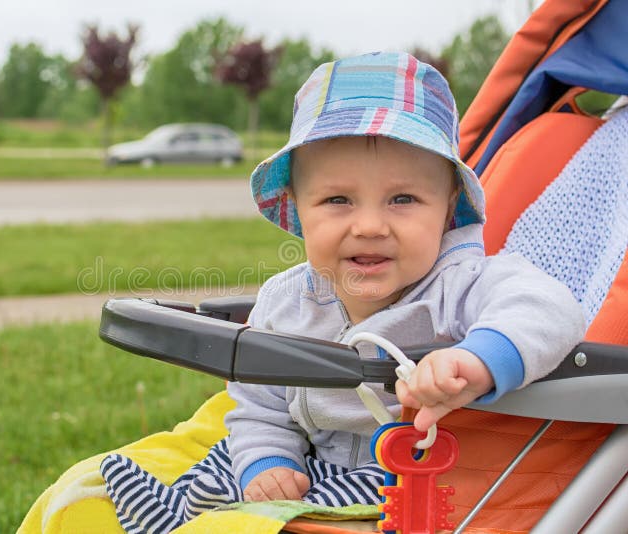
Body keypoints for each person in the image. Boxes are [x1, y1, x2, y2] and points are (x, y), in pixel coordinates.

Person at [100, 51, 585, 532]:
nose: (370, 226)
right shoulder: (287, 300)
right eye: (337, 200)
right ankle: (176, 513)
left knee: (326, 502)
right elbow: (259, 406)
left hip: (410, 468)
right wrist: (266, 460)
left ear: (448, 205)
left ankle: (221, 514)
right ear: (297, 206)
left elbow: (551, 309)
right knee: (227, 465)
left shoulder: (464, 283)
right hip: (306, 456)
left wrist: (478, 359)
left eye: (403, 199)